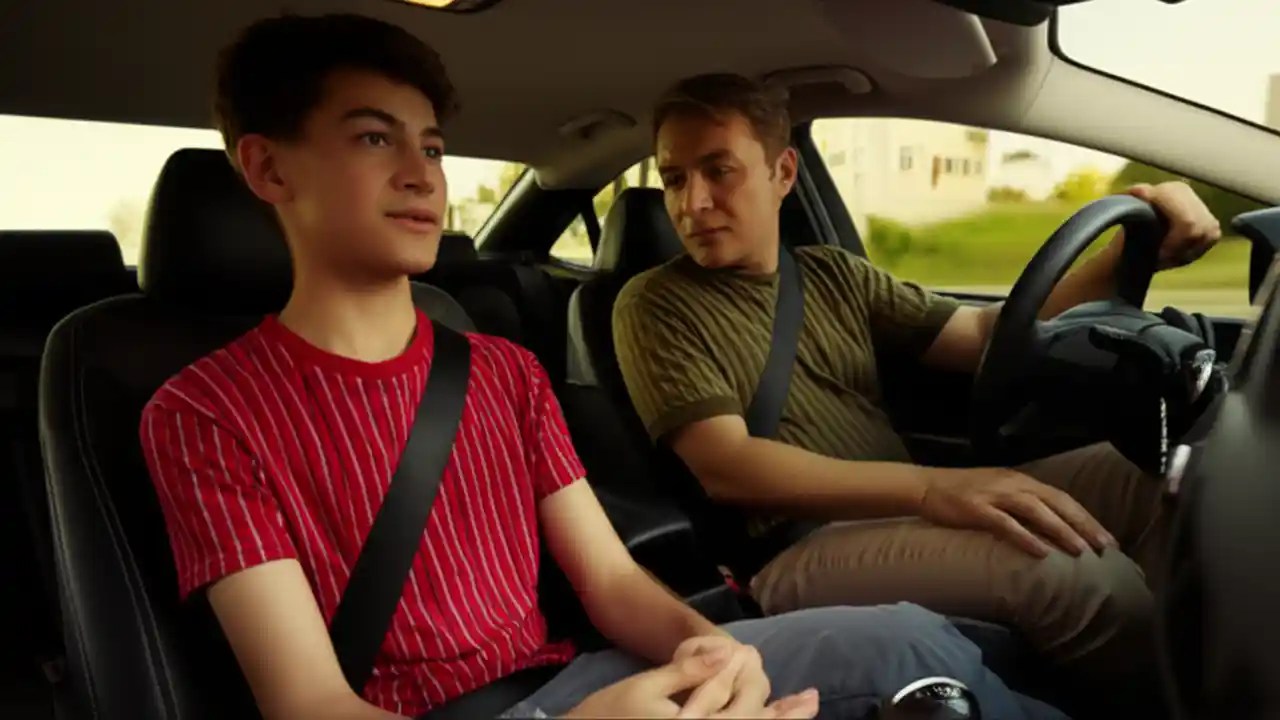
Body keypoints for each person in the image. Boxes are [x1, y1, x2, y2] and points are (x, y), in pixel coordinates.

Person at [138, 14, 1068, 720]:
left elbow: (613, 583)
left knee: (914, 647)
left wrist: (716, 654)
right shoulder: (204, 412)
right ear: (268, 169)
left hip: (576, 679)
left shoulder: (502, 372)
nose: (423, 175)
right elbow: (309, 704)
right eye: (375, 138)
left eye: (432, 146)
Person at [612, 72, 1222, 711]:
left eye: (719, 171)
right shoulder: (653, 304)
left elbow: (988, 336)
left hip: (905, 510)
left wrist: (1130, 253)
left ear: (783, 173)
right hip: (795, 547)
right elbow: (727, 466)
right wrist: (935, 489)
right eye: (674, 178)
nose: (692, 203)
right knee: (1087, 582)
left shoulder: (831, 273)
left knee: (1173, 477)